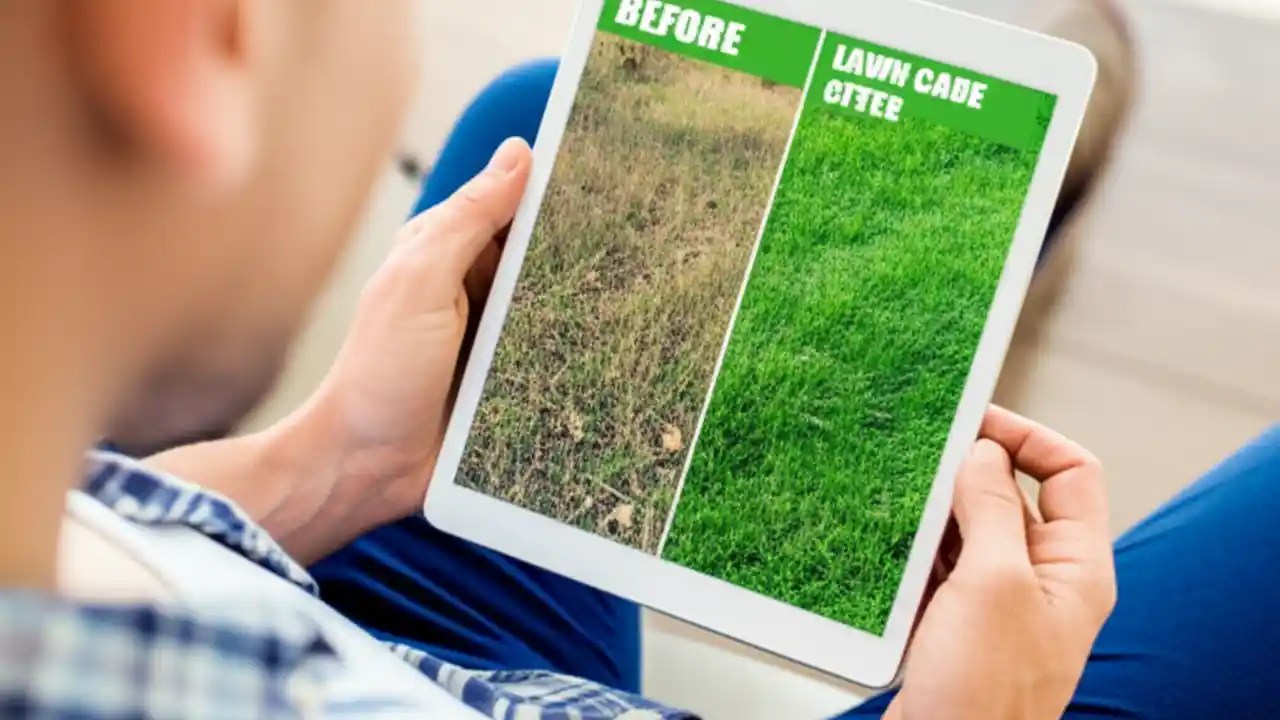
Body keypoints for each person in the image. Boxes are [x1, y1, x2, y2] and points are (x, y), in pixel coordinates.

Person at [0, 3, 1275, 720]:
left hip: (337, 616)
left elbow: (80, 534)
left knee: (533, 115)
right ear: (185, 36)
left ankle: (1003, 234)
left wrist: (326, 463)